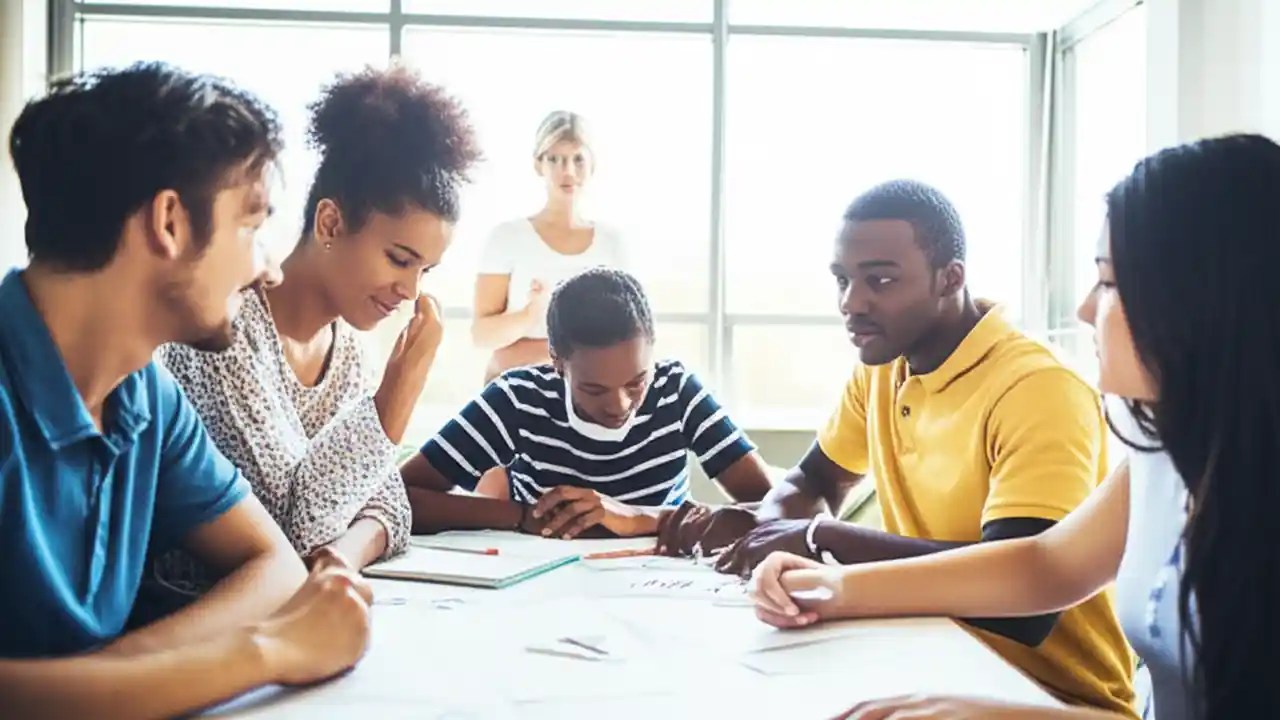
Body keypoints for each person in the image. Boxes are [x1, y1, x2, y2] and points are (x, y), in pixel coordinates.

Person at [748, 134, 1280, 720]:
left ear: (1204, 299)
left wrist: (1022, 715)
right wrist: (828, 587)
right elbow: (1046, 565)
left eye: (1108, 282)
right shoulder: (1167, 447)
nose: (1083, 310)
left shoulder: (1041, 386)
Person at [661, 180, 1135, 716]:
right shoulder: (884, 368)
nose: (851, 303)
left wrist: (822, 539)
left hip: (1040, 691)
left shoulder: (1036, 388)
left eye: (880, 281)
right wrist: (773, 541)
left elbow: (1021, 605)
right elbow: (812, 481)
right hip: (924, 654)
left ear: (949, 278)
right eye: (842, 280)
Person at [0, 62, 373, 718]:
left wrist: (106, 681)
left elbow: (276, 564)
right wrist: (265, 652)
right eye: (251, 226)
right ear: (169, 222)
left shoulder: (144, 393)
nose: (269, 269)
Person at [150, 65, 480, 601]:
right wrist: (397, 394)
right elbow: (289, 530)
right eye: (399, 259)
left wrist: (341, 558)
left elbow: (390, 506)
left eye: (426, 271)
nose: (410, 291)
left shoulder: (349, 352)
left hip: (293, 613)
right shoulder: (223, 336)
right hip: (196, 620)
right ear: (329, 224)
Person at [402, 267, 772, 538]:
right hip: (538, 584)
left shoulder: (677, 391)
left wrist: (641, 519)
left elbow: (778, 509)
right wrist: (517, 514)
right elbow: (399, 497)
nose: (620, 404)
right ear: (557, 362)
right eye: (594, 389)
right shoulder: (518, 399)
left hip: (656, 587)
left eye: (636, 381)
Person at [471, 110, 627, 384]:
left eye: (578, 159)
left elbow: (626, 337)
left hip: (590, 393)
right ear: (537, 165)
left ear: (593, 165)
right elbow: (483, 335)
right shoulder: (507, 238)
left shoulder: (612, 244)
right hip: (515, 390)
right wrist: (528, 315)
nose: (567, 171)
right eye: (554, 159)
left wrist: (524, 351)